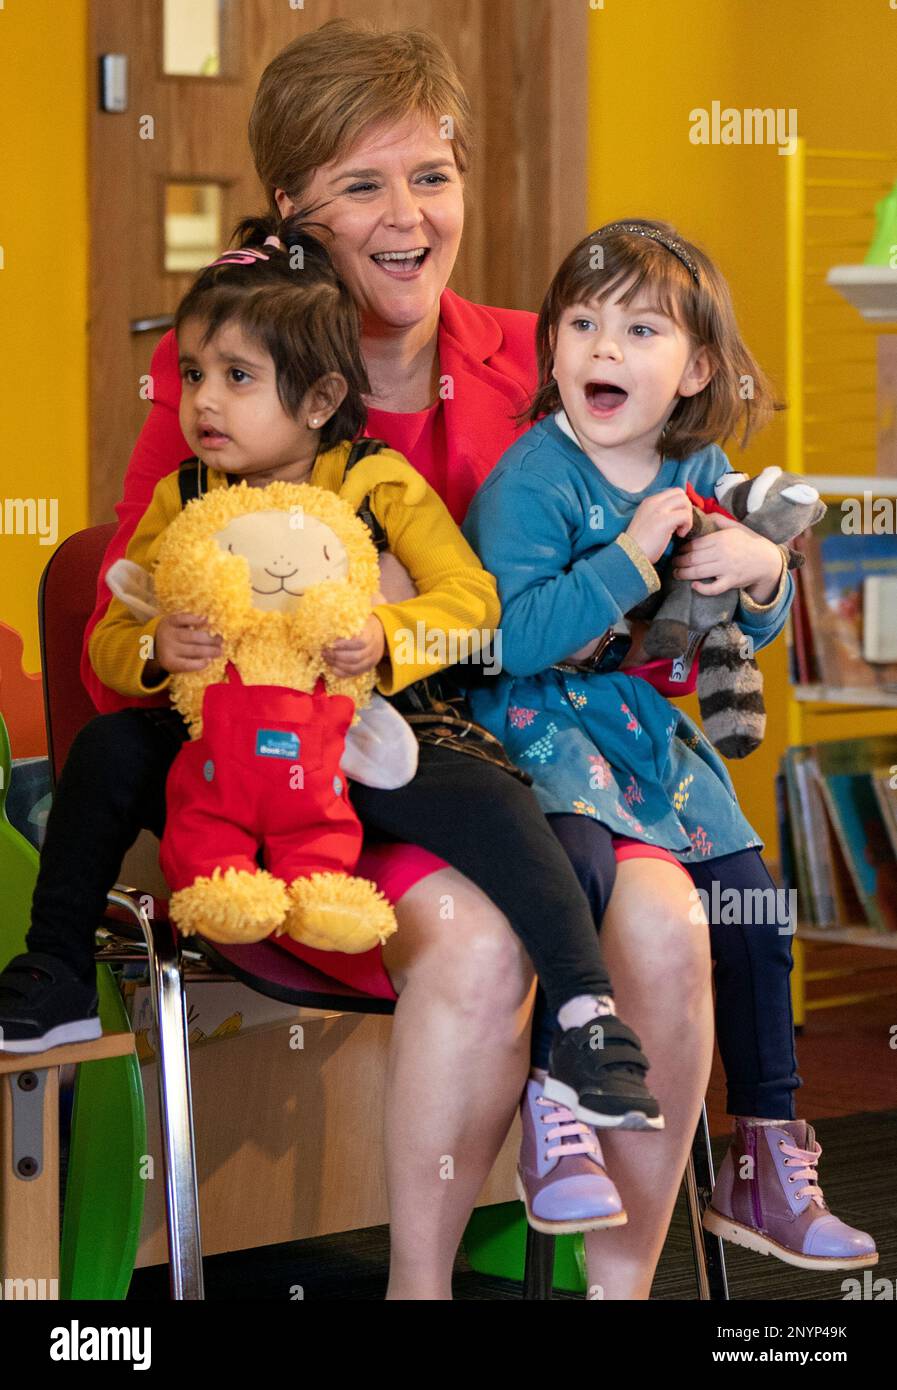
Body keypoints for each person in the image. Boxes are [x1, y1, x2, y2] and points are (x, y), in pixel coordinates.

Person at [0, 21, 713, 1299]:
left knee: (668, 924)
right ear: (293, 212)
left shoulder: (548, 354)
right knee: (480, 937)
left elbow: (619, 558)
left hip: (526, 761)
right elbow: (139, 633)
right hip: (290, 789)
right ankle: (419, 1289)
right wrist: (184, 645)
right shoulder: (223, 366)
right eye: (361, 184)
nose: (408, 216)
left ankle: (621, 1298)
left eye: (430, 175)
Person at [463, 217, 878, 1273]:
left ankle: (766, 1157)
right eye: (583, 323)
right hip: (542, 719)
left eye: (640, 329)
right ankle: (558, 1107)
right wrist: (634, 555)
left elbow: (755, 622)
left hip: (652, 736)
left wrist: (763, 571)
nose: (604, 349)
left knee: (750, 902)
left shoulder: (702, 461)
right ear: (551, 346)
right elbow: (512, 636)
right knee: (582, 873)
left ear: (694, 366)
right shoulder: (531, 479)